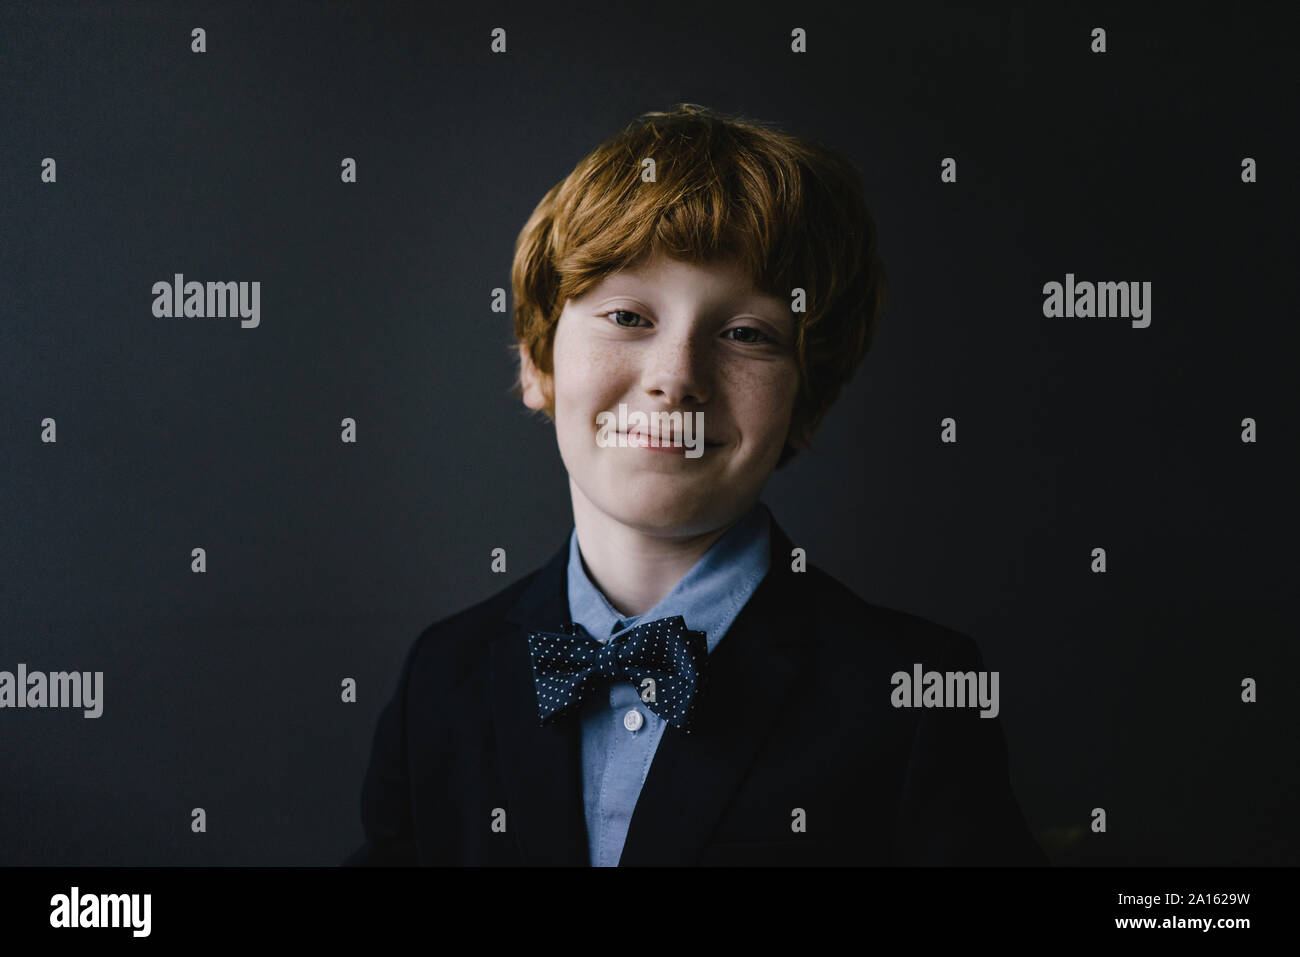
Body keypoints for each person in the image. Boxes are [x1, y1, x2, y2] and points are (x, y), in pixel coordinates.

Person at [345, 103, 1045, 866]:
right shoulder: (443, 676)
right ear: (537, 362)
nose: (676, 376)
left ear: (805, 406)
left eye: (746, 333)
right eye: (626, 315)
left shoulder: (913, 695)